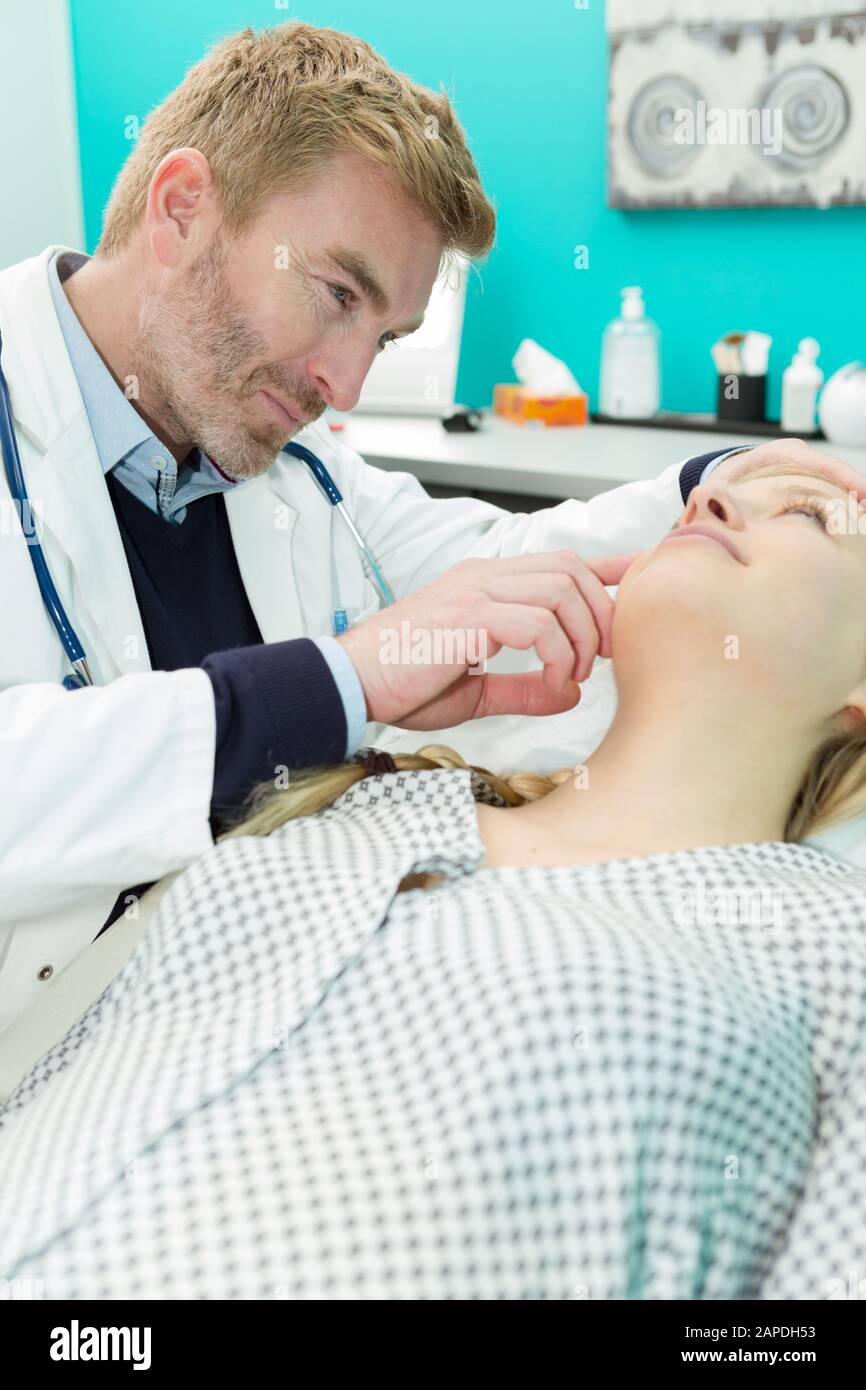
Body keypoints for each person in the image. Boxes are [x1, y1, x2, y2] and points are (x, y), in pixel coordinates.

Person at [0, 18, 769, 1030]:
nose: (346, 383)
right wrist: (347, 679)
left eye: (386, 335)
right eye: (334, 294)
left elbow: (492, 570)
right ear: (182, 209)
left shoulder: (290, 461)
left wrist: (729, 480)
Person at [2, 447, 865, 1299]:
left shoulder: (825, 950)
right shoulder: (371, 800)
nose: (706, 509)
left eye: (810, 517)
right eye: (690, 511)